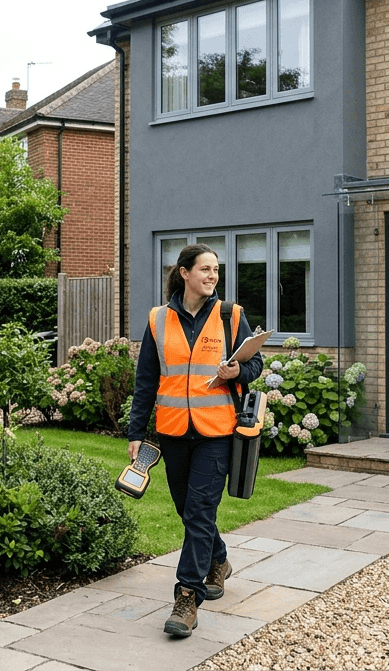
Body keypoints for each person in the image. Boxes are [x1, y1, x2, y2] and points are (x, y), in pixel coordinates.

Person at [125, 243, 263, 638]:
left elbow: (255, 364)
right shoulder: (158, 320)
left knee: (200, 510)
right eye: (205, 269)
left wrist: (238, 370)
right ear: (184, 272)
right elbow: (146, 380)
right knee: (188, 509)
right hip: (172, 432)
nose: (212, 276)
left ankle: (187, 597)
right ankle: (218, 560)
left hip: (216, 432)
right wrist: (136, 431)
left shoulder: (230, 316)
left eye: (216, 270)